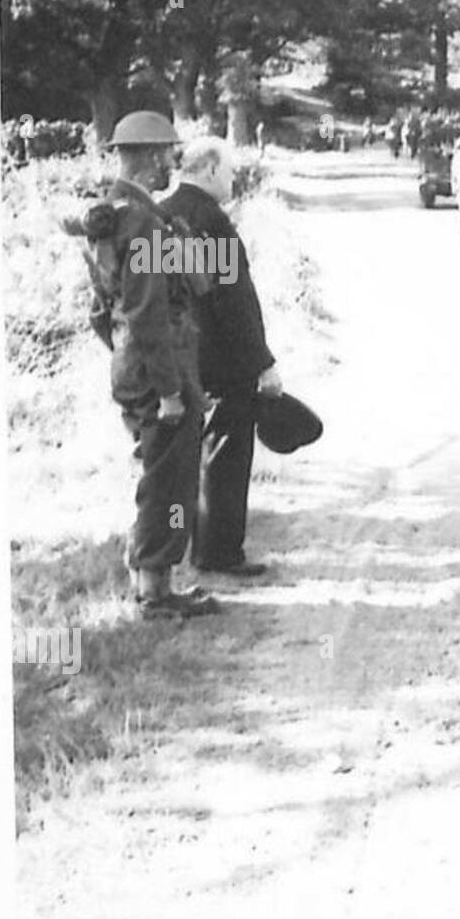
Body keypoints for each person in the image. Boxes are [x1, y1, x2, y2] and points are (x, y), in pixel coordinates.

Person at [81, 111, 219, 618]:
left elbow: (104, 310)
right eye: (168, 154)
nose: (173, 164)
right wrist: (167, 389)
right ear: (149, 157)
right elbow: (146, 311)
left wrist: (128, 360)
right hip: (160, 370)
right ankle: (154, 590)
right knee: (168, 481)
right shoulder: (140, 222)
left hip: (139, 364)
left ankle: (157, 579)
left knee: (168, 476)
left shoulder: (113, 214)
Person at [161, 136, 281, 578]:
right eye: (229, 170)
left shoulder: (163, 212)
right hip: (222, 359)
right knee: (227, 457)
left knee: (188, 459)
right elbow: (232, 301)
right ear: (209, 168)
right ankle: (219, 553)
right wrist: (262, 361)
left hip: (180, 358)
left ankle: (187, 547)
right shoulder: (211, 221)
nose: (233, 178)